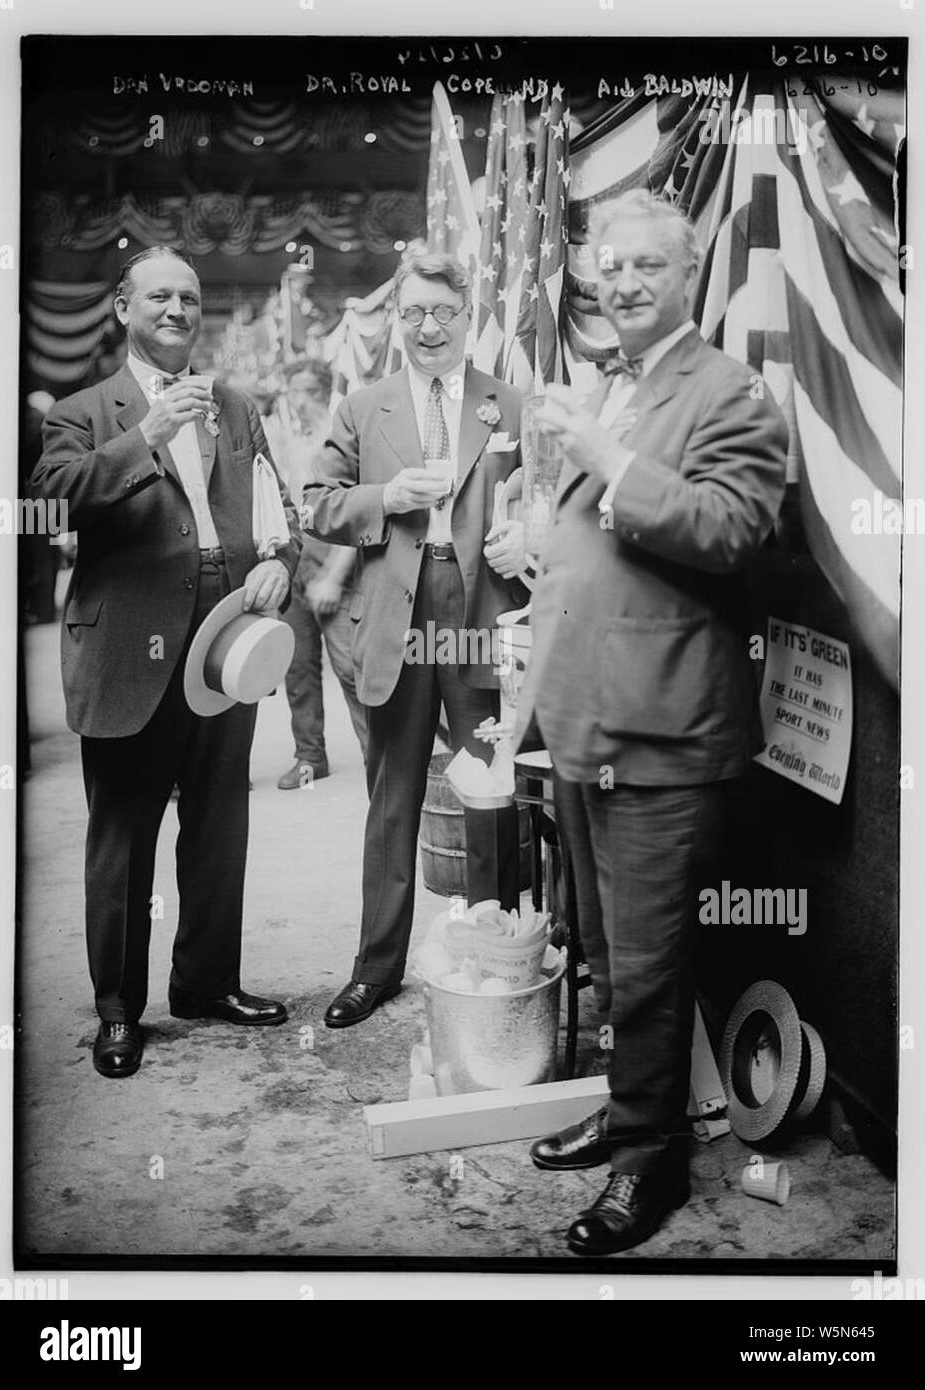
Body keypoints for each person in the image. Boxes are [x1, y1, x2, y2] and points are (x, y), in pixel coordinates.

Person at [515, 190, 788, 1254]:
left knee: (648, 961)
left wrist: (604, 455)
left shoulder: (729, 392)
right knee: (605, 945)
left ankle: (649, 1164)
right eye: (607, 267)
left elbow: (730, 531)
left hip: (662, 737)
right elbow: (602, 550)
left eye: (644, 266)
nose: (619, 282)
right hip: (586, 723)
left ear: (687, 276)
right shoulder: (620, 384)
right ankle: (632, 1105)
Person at [30, 246, 303, 1079]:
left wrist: (277, 565)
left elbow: (278, 507)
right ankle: (118, 1011)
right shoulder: (84, 411)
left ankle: (208, 982)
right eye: (159, 296)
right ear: (122, 308)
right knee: (123, 836)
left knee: (221, 822)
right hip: (129, 645)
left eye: (188, 296)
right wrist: (147, 434)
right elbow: (47, 499)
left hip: (227, 633)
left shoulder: (236, 403)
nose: (177, 309)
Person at [304, 246, 528, 1028]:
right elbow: (316, 502)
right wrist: (384, 495)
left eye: (443, 312)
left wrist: (522, 536)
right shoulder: (365, 408)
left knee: (487, 789)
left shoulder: (509, 404)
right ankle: (375, 969)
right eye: (414, 314)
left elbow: (545, 496)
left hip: (478, 612)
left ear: (467, 317)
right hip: (397, 613)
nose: (429, 327)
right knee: (393, 797)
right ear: (396, 322)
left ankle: (500, 955)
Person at [275, 359, 368, 786]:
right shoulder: (293, 437)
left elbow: (358, 515)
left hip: (336, 562)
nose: (293, 401)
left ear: (316, 392)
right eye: (290, 392)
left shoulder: (342, 435)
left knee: (351, 669)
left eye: (299, 392)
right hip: (296, 559)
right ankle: (310, 756)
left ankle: (379, 758)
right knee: (299, 668)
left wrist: (333, 574)